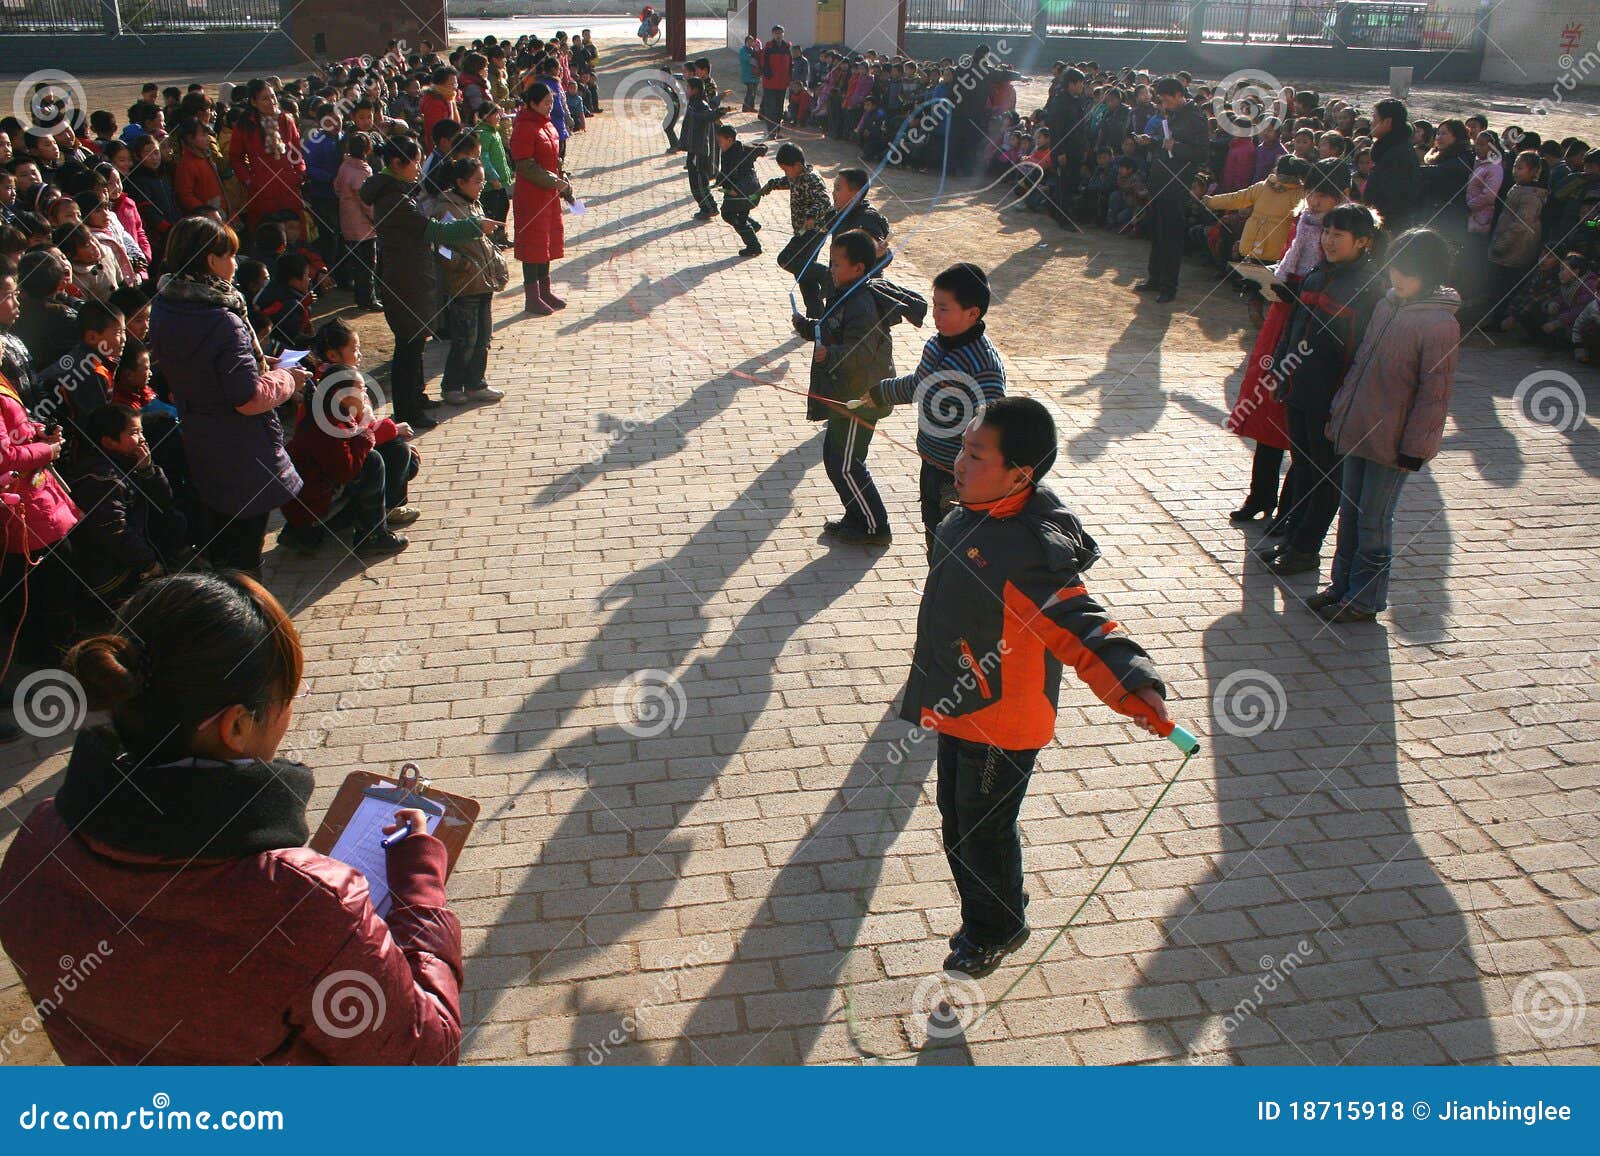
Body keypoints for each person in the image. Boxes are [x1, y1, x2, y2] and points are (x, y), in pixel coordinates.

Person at [0, 572, 464, 1064]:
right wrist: (419, 894)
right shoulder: (304, 906)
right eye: (290, 700)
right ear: (237, 725)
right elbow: (425, 1056)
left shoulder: (35, 843)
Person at [898, 397, 1169, 976]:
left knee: (982, 830)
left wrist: (1131, 682)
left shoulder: (1029, 551)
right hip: (960, 704)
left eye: (975, 454)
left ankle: (996, 928)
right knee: (957, 816)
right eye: (964, 446)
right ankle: (995, 908)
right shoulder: (973, 511)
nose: (959, 462)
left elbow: (1083, 622)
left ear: (1019, 474)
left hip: (1003, 720)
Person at [147, 215, 306, 573]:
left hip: (200, 435)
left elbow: (205, 368)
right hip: (241, 445)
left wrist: (260, 360)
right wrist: (287, 379)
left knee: (221, 539)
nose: (236, 263)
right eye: (229, 255)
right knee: (245, 552)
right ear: (210, 260)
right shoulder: (221, 319)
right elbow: (247, 398)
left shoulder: (166, 305)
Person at [1319, 229, 1459, 623]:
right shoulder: (1388, 304)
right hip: (1358, 427)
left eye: (1407, 272)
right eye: (1395, 268)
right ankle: (1339, 587)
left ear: (1429, 273)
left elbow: (1435, 394)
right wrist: (1341, 410)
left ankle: (1365, 599)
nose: (1397, 278)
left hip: (1394, 441)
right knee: (1349, 513)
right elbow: (1361, 361)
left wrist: (1415, 448)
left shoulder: (1439, 324)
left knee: (1374, 521)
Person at [1261, 202, 1383, 575]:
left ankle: (1305, 549)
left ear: (1362, 241)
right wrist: (1281, 371)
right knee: (1302, 467)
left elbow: (1364, 350)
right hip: (1298, 388)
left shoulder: (1368, 287)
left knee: (1324, 476)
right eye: (1327, 232)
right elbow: (1293, 327)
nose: (1329, 241)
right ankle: (1292, 539)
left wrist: (1345, 397)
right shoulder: (1317, 274)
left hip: (1330, 397)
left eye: (1338, 235)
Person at [857, 263, 1007, 559]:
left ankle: (951, 593)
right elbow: (918, 384)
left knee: (956, 544)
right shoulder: (936, 345)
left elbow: (994, 420)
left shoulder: (982, 363)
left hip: (960, 473)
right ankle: (938, 584)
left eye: (943, 308)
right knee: (934, 532)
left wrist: (974, 469)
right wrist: (880, 392)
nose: (935, 314)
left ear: (972, 313)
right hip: (930, 459)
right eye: (935, 305)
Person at [1227, 158, 1348, 526]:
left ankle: (1289, 507)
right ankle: (1259, 494)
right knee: (1265, 405)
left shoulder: (1345, 233)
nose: (1316, 201)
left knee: (1299, 421)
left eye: (1325, 195)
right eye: (1312, 193)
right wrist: (1267, 284)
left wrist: (1299, 292)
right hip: (1284, 321)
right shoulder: (1303, 221)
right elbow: (1288, 265)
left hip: (1313, 329)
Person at [361, 134, 495, 428]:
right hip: (405, 280)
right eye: (415, 162)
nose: (419, 167)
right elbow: (433, 232)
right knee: (407, 347)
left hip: (414, 276)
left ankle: (416, 396)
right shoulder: (395, 199)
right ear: (398, 163)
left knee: (416, 344)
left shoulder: (399, 192)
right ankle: (407, 409)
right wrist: (474, 227)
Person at [792, 231, 900, 547]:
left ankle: (876, 526)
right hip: (846, 395)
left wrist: (830, 355)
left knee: (847, 463)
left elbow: (861, 351)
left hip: (863, 397)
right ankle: (857, 516)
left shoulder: (862, 301)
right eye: (830, 263)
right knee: (835, 459)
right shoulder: (844, 292)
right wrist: (807, 328)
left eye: (837, 264)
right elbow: (830, 326)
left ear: (858, 268)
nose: (831, 269)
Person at [61, 403, 184, 612]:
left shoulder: (129, 461)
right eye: (134, 433)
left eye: (141, 431)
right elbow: (114, 532)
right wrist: (149, 564)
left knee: (176, 518)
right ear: (108, 441)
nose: (142, 438)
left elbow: (163, 501)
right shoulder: (102, 479)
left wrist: (147, 471)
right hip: (111, 576)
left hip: (136, 552)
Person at [433, 158, 508, 404]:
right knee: (465, 339)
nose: (481, 186)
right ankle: (452, 386)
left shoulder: (473, 204)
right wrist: (462, 265)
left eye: (482, 181)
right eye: (477, 181)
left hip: (483, 282)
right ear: (460, 182)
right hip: (463, 285)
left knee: (483, 338)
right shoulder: (446, 209)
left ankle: (476, 383)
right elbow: (440, 248)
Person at [1136, 77, 1208, 302]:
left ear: (1179, 95)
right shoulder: (1175, 114)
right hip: (1161, 179)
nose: (1164, 105)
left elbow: (1201, 154)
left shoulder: (1196, 118)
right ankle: (1155, 278)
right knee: (1157, 233)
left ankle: (1169, 286)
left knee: (1171, 236)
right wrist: (1154, 141)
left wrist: (1175, 147)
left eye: (1167, 100)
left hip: (1177, 184)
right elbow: (1167, 141)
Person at [509, 83, 572, 317]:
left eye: (551, 102)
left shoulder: (547, 125)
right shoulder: (524, 127)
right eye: (546, 102)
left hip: (548, 194)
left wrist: (562, 179)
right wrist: (553, 181)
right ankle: (532, 298)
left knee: (547, 242)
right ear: (532, 103)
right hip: (531, 195)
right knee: (532, 245)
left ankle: (545, 291)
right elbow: (524, 164)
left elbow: (555, 159)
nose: (550, 106)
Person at [227, 79, 306, 238]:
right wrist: (249, 180)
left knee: (294, 235)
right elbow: (235, 157)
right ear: (253, 102)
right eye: (265, 98)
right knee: (267, 236)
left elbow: (297, 151)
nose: (271, 102)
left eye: (273, 97)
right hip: (262, 190)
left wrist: (299, 174)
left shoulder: (286, 120)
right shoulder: (245, 125)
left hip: (289, 186)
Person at [761, 143, 832, 316]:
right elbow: (788, 181)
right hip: (803, 231)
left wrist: (810, 216)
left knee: (786, 259)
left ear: (798, 165)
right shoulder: (797, 176)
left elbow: (824, 201)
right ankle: (816, 313)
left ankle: (829, 276)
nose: (786, 174)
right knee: (803, 274)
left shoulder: (812, 179)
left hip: (813, 231)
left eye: (787, 170)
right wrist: (771, 185)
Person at [336, 131, 381, 311]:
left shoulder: (344, 166)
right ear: (367, 149)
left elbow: (337, 187)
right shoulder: (363, 171)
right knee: (368, 263)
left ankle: (361, 296)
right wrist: (375, 218)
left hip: (347, 219)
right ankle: (368, 299)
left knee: (357, 264)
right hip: (363, 225)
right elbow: (365, 200)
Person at [1363, 98, 1419, 231]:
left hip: (1389, 227)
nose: (1371, 123)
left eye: (1374, 117)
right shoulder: (1391, 148)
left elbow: (1395, 200)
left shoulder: (1397, 155)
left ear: (1387, 121)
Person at [712, 126, 765, 257]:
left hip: (745, 191)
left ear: (730, 140)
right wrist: (717, 183)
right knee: (738, 215)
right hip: (737, 191)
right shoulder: (729, 151)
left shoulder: (739, 153)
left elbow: (744, 175)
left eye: (720, 141)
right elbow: (725, 172)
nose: (719, 145)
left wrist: (737, 190)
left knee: (729, 214)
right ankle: (753, 227)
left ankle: (754, 246)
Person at [681, 79, 722, 222]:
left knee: (699, 182)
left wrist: (720, 112)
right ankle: (706, 208)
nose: (686, 91)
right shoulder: (693, 104)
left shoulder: (701, 105)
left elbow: (708, 116)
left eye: (688, 88)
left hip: (699, 150)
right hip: (693, 149)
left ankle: (709, 208)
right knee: (695, 181)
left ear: (695, 89)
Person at [758, 26, 793, 140]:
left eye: (780, 33)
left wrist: (789, 79)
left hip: (782, 84)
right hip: (770, 84)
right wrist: (769, 76)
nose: (778, 35)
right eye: (776, 33)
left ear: (783, 34)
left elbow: (790, 66)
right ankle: (771, 132)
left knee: (779, 109)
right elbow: (763, 64)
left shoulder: (787, 47)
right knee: (770, 108)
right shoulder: (768, 47)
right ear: (772, 34)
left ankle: (777, 131)